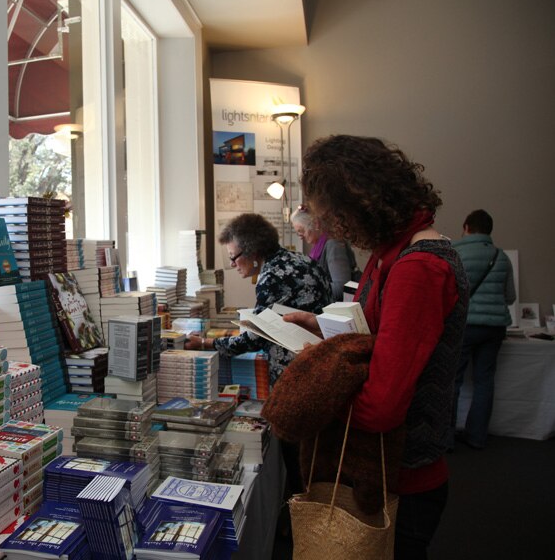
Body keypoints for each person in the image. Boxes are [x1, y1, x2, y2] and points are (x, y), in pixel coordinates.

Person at [283, 135, 468, 560]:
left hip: (399, 479)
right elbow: (383, 338)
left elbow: (382, 405)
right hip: (387, 471)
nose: (328, 228)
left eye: (330, 216)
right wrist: (323, 329)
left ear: (356, 207)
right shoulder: (394, 254)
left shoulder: (417, 267)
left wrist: (317, 385)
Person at [185, 212, 330, 495]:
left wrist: (207, 344)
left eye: (233, 256)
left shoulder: (272, 274)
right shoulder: (300, 260)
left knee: (296, 456)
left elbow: (255, 337)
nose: (232, 264)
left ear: (251, 252)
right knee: (313, 455)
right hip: (319, 365)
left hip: (295, 377)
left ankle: (301, 520)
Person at [451, 209, 515, 450]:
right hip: (494, 327)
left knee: (453, 380)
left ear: (466, 226)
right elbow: (510, 297)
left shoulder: (456, 253)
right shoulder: (501, 256)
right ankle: (476, 436)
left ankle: (446, 438)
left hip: (463, 325)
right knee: (485, 381)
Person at [291, 205, 361, 301]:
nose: (300, 236)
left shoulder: (334, 245)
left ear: (316, 224)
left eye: (301, 231)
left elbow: (341, 287)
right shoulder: (318, 247)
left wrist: (309, 289)